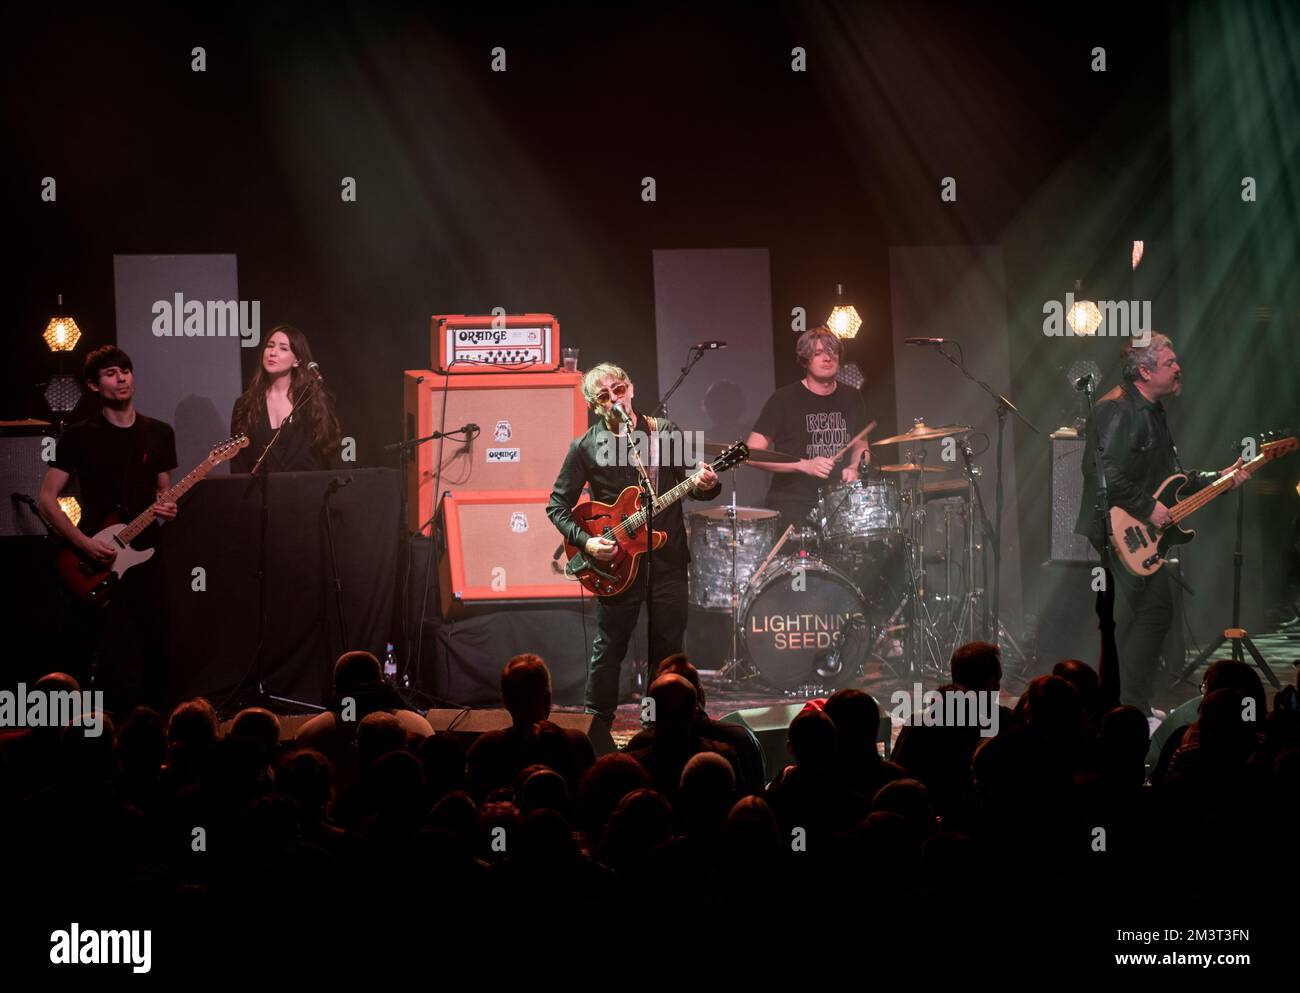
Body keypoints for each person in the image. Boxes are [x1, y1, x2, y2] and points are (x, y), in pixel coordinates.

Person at [1073, 334, 1252, 715]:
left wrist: (1218, 479)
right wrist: (1145, 507)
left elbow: (1174, 479)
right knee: (1131, 619)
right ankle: (1121, 707)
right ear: (1145, 371)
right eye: (1169, 363)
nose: (1177, 368)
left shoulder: (1153, 410)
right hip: (1115, 530)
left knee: (1151, 615)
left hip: (1139, 531)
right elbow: (1096, 469)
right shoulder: (1117, 409)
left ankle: (1131, 704)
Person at [546, 362, 721, 752]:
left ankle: (658, 733)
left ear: (632, 388)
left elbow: (696, 485)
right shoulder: (586, 446)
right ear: (595, 405)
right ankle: (595, 736)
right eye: (604, 396)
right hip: (615, 563)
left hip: (667, 559)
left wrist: (708, 482)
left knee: (668, 651)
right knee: (610, 648)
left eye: (619, 389)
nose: (615, 399)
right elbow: (557, 506)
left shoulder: (666, 433)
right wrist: (587, 542)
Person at [38, 346, 179, 713]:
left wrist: (169, 506)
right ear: (92, 384)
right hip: (94, 551)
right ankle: (82, 725)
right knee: (85, 644)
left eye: (127, 371)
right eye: (111, 373)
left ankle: (154, 726)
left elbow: (165, 493)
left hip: (146, 550)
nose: (122, 378)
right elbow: (47, 499)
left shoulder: (159, 433)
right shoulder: (78, 437)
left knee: (157, 643)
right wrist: (83, 544)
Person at [747, 326, 871, 531]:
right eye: (818, 353)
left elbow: (862, 446)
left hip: (838, 503)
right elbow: (751, 454)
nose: (827, 358)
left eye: (832, 352)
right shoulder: (784, 399)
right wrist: (803, 465)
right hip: (792, 504)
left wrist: (855, 467)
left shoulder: (852, 397)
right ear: (805, 360)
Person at [230, 324, 342, 473]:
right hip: (262, 494)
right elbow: (239, 463)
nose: (273, 353)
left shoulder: (312, 400)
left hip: (308, 491)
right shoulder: (245, 404)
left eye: (283, 348)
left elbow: (332, 453)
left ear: (297, 361)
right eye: (270, 346)